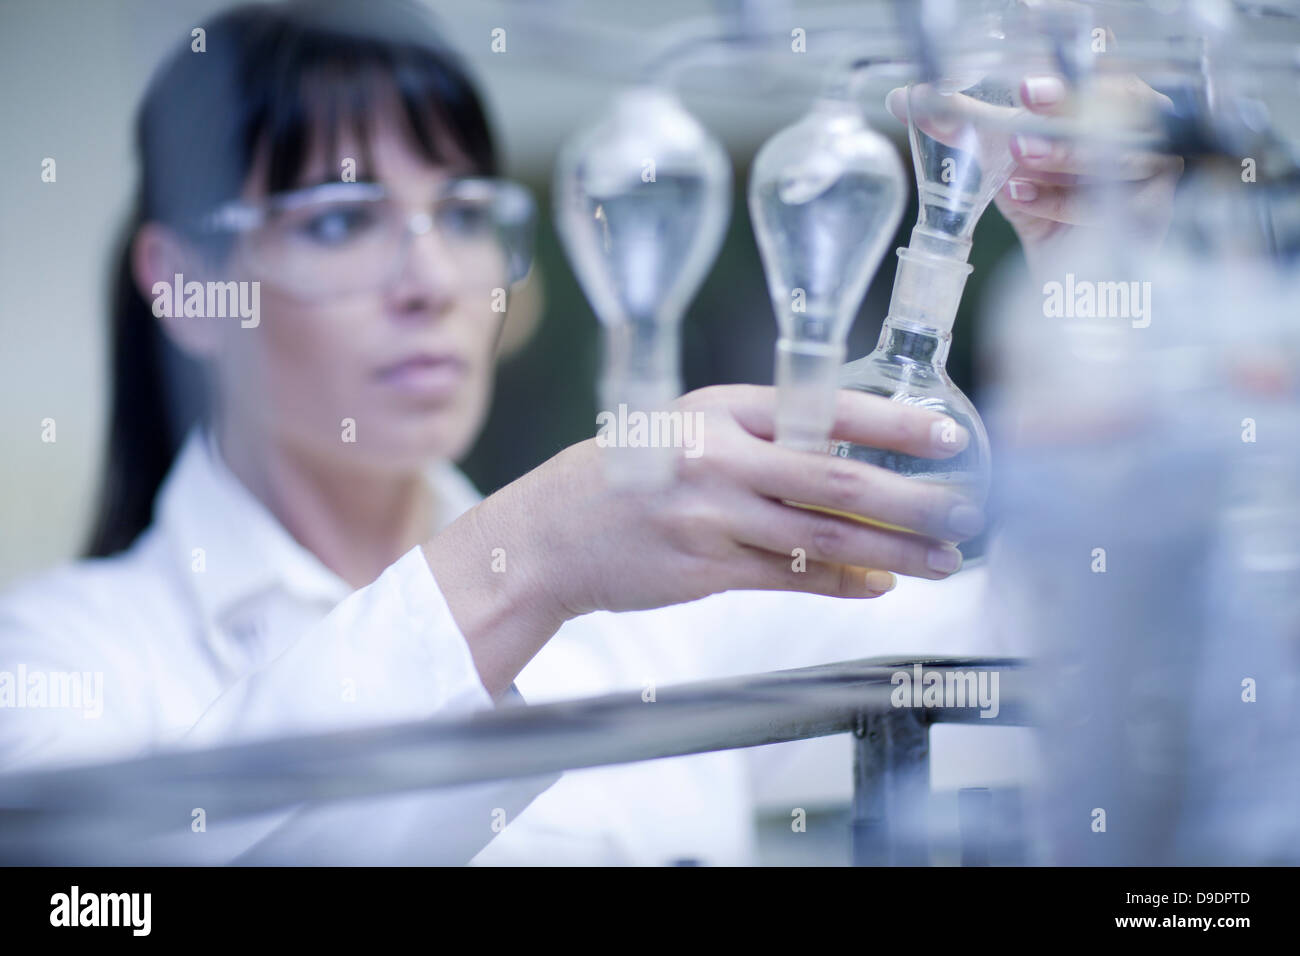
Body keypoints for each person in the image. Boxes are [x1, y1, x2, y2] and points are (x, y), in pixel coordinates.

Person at [0, 0, 1181, 864]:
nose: (432, 277)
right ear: (182, 281)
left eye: (465, 212)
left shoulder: (658, 610)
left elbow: (1061, 637)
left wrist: (1101, 292)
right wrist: (535, 557)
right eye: (339, 220)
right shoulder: (57, 665)